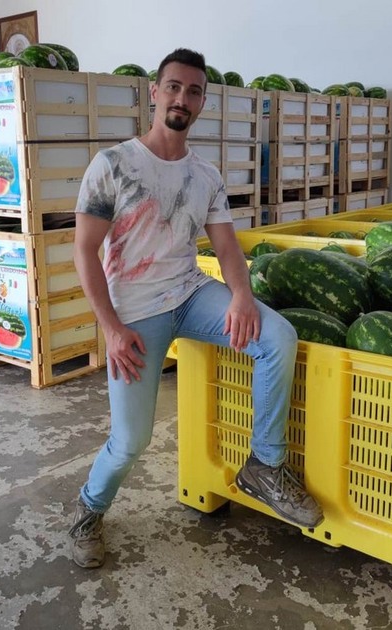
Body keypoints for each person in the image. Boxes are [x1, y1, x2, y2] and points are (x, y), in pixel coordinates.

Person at [67, 47, 323, 570]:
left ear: (202, 102)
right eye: (175, 87)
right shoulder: (112, 164)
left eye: (195, 90)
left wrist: (242, 297)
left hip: (189, 294)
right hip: (135, 315)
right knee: (131, 442)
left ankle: (265, 464)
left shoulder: (205, 174)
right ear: (155, 93)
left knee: (277, 338)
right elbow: (83, 251)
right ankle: (88, 511)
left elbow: (227, 249)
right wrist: (111, 329)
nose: (183, 98)